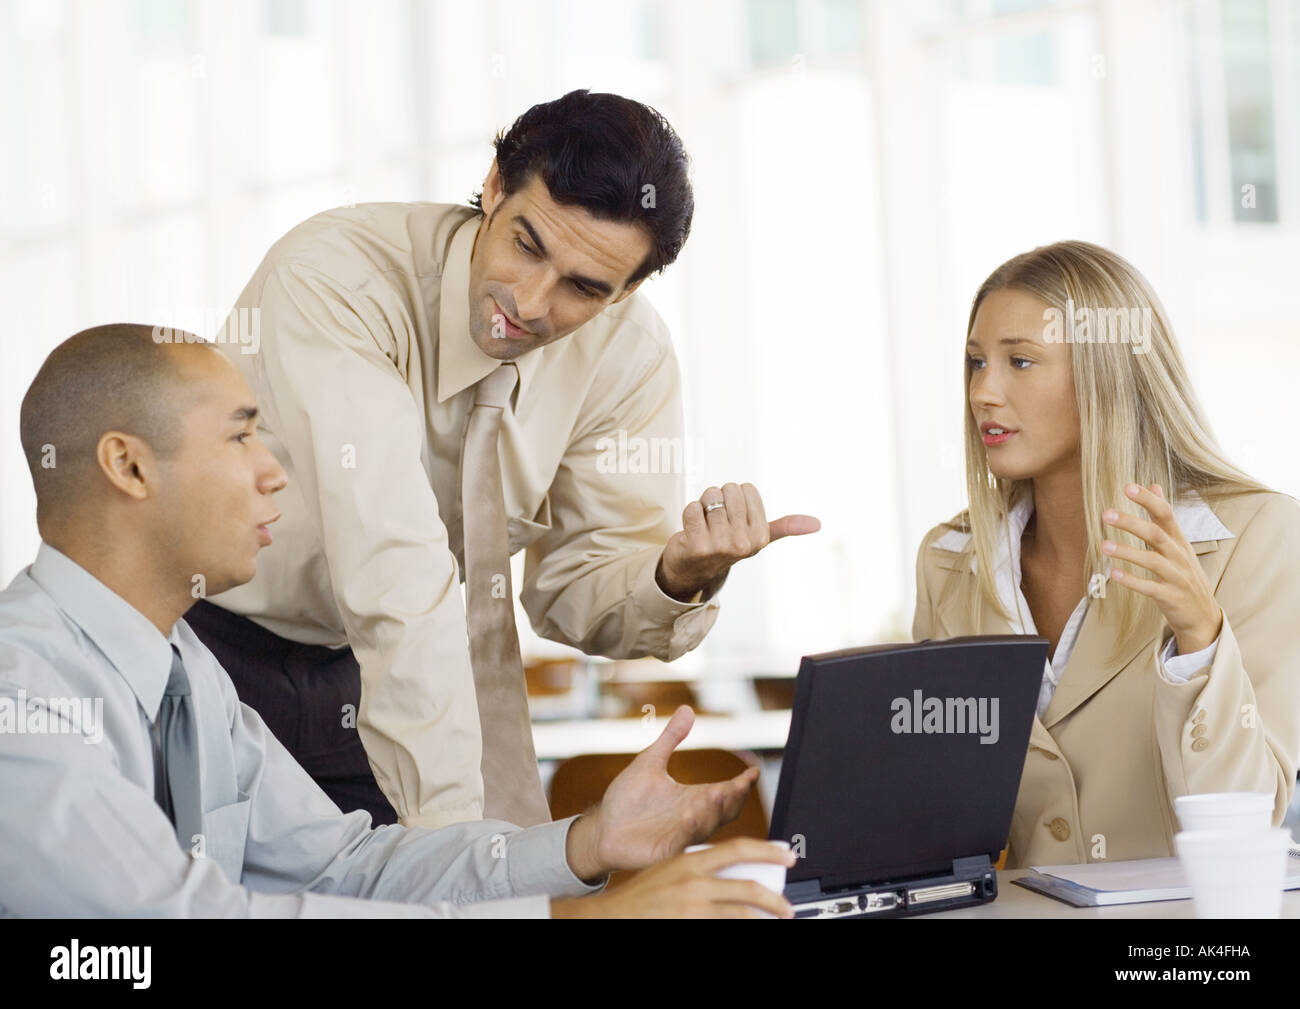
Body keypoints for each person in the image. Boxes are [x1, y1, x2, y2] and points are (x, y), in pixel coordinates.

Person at [0, 324, 795, 918]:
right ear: (129, 465)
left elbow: (347, 865)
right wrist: (577, 917)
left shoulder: (184, 668)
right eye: (242, 434)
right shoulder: (23, 690)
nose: (275, 471)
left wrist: (582, 844)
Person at [188, 88, 820, 830]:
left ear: (632, 287)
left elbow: (569, 596)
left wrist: (676, 575)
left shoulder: (629, 356)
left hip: (370, 675)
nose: (528, 301)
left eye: (585, 287)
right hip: (210, 640)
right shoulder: (337, 278)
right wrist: (472, 853)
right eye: (527, 244)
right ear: (493, 186)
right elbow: (394, 575)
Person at [912, 240, 1300, 867]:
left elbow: (1246, 818)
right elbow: (940, 817)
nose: (983, 391)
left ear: (1107, 373)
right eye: (976, 362)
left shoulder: (1257, 536)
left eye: (1021, 361)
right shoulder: (948, 560)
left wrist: (1200, 639)